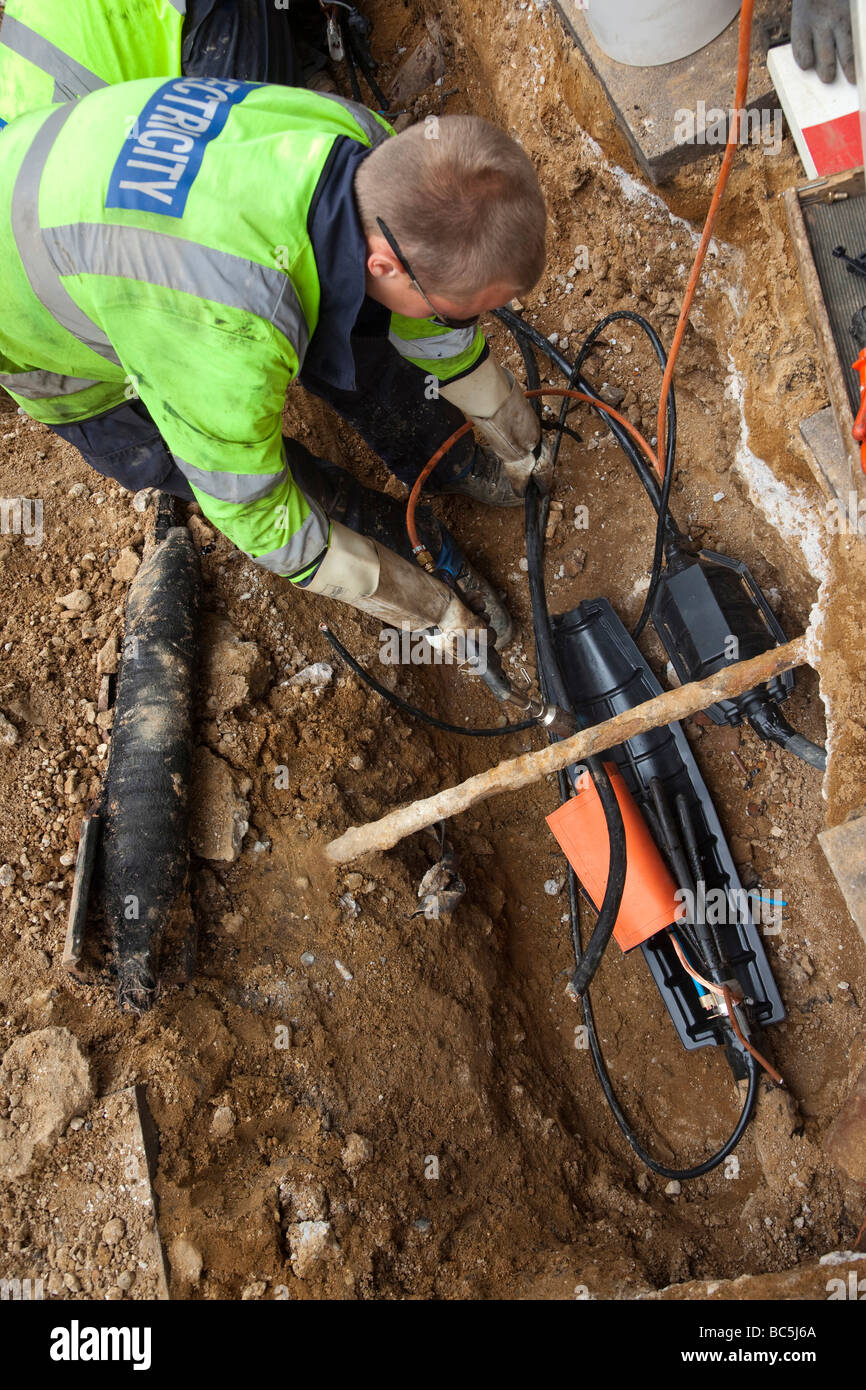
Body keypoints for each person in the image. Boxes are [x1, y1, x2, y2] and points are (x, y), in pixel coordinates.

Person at [0, 76, 549, 650]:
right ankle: (423, 555)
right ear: (386, 263)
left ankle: (449, 467)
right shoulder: (228, 334)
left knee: (363, 328)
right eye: (459, 312)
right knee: (224, 469)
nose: (459, 321)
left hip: (67, 180)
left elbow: (421, 318)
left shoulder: (367, 146)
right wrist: (422, 611)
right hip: (47, 332)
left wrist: (515, 437)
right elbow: (258, 512)